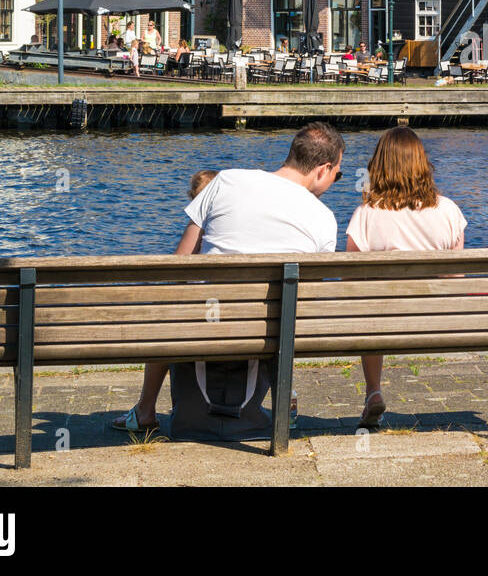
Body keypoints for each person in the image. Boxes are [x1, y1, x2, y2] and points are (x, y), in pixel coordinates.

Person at [110, 122, 344, 434]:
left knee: (170, 303)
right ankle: (283, 402)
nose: (332, 182)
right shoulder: (324, 218)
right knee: (288, 310)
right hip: (271, 331)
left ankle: (145, 410)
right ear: (322, 169)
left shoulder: (227, 180)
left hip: (208, 320)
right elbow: (309, 295)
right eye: (336, 175)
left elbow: (179, 266)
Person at [345, 127, 466, 429]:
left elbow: (350, 274)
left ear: (379, 165)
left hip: (384, 318)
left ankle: (373, 391)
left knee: (370, 305)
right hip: (441, 321)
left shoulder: (367, 212)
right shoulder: (449, 210)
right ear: (423, 165)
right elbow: (456, 275)